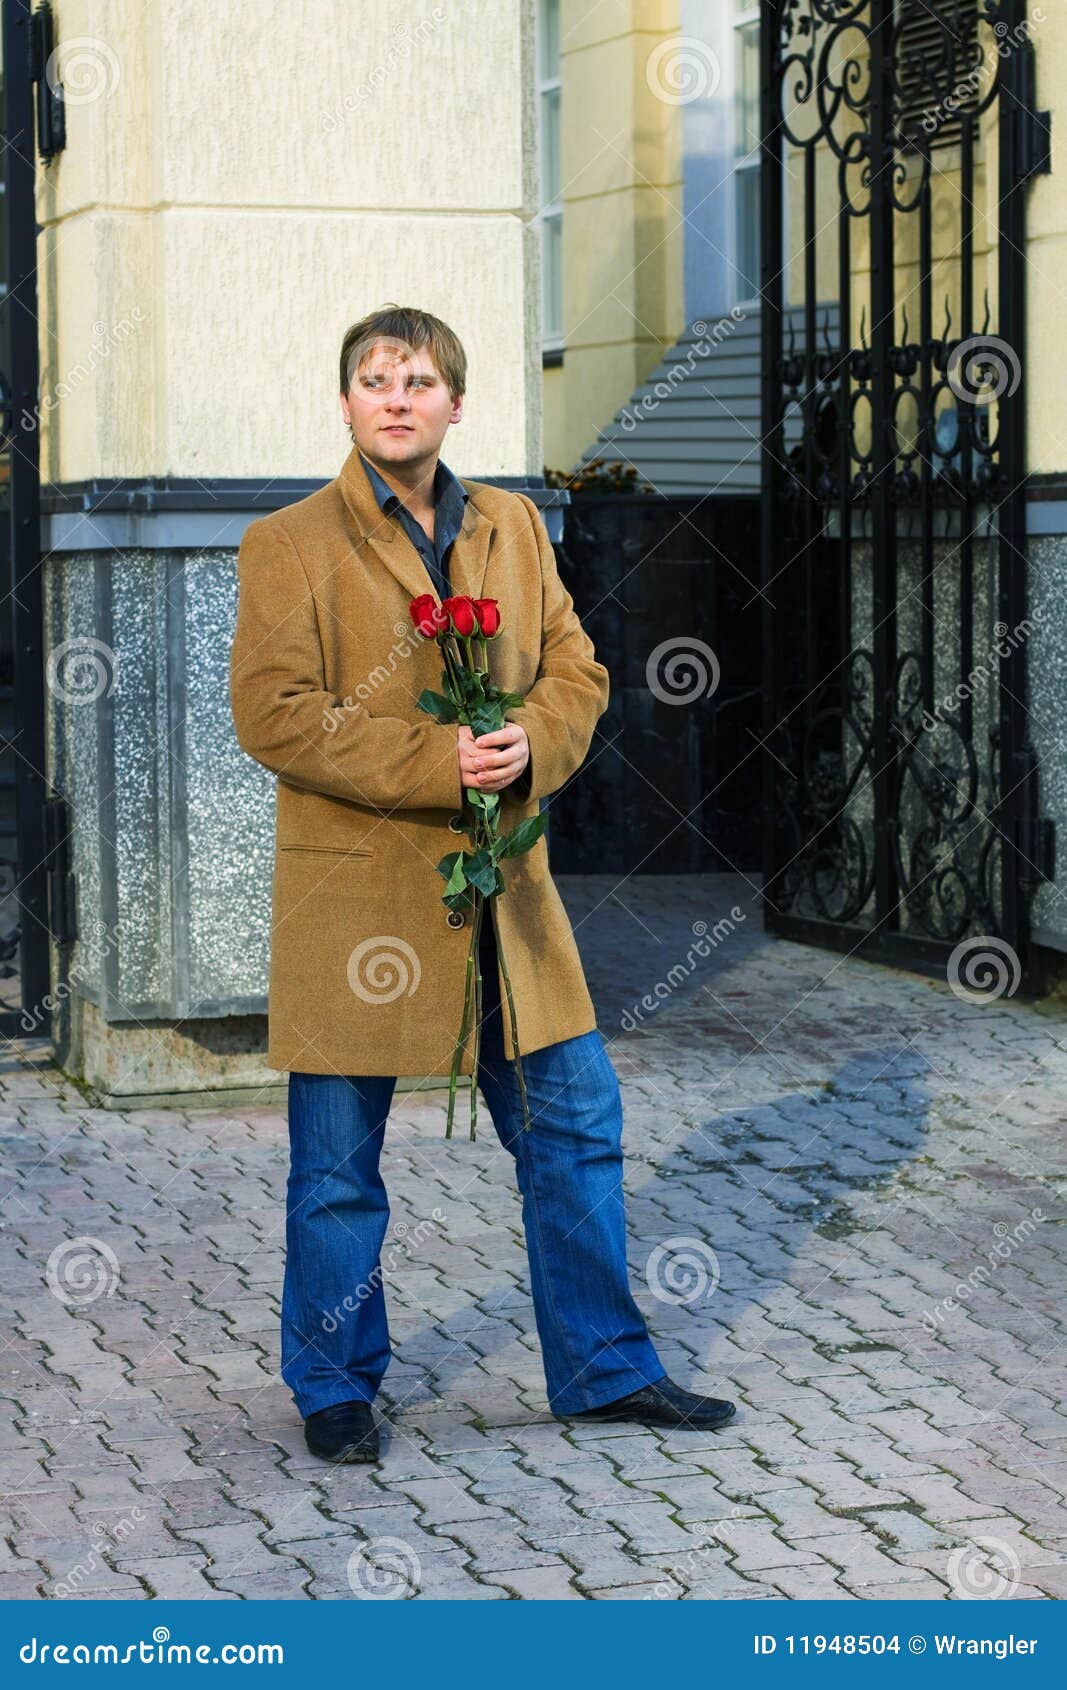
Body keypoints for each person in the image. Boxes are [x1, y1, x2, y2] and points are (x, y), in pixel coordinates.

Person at [229, 303, 735, 1463]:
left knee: (575, 1124)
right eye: (373, 379)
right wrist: (430, 760)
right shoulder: (289, 542)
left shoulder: (511, 525)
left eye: (418, 379)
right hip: (356, 902)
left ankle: (604, 1368)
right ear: (345, 403)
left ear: (456, 402)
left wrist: (527, 739)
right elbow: (273, 712)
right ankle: (335, 1384)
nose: (395, 397)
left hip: (507, 900)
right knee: (336, 1168)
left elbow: (576, 669)